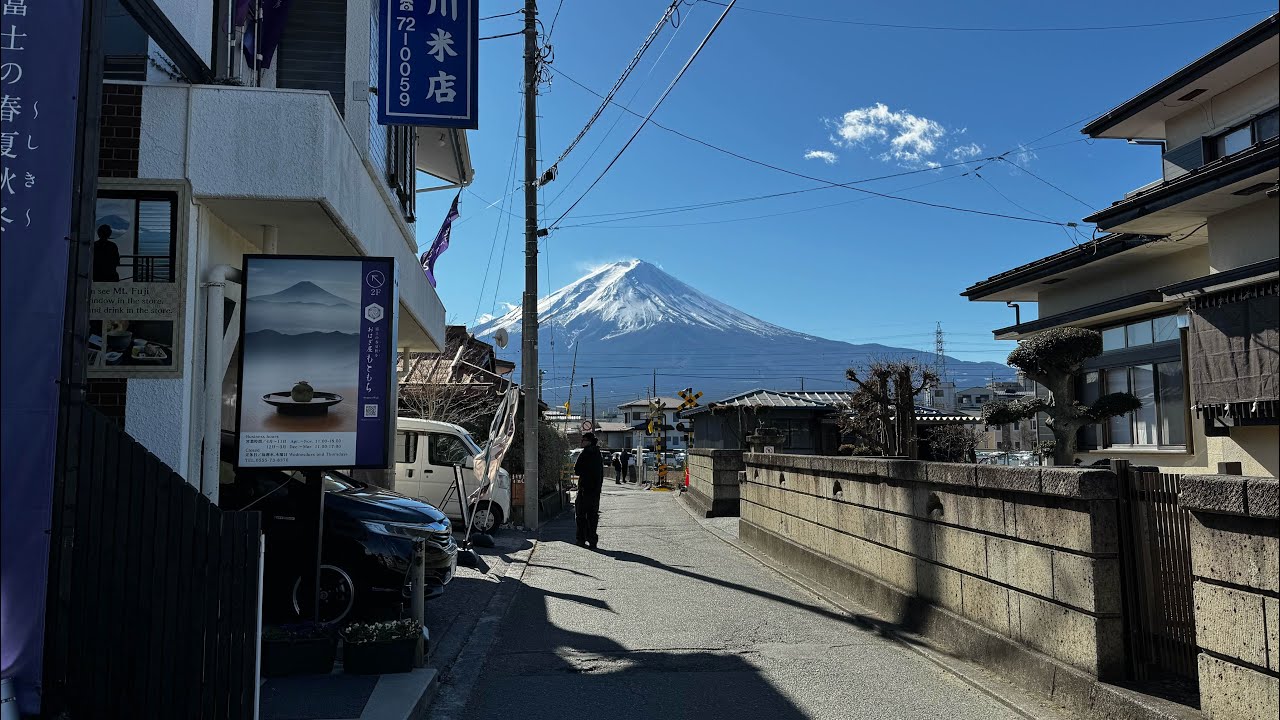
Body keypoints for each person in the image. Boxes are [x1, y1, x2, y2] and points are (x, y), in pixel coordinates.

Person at [573, 432, 604, 549]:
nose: (581, 442)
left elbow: (577, 470)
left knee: (581, 515)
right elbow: (600, 474)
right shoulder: (598, 454)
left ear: (588, 441)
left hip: (584, 489)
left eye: (583, 440)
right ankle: (592, 539)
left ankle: (581, 539)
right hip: (595, 490)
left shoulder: (585, 453)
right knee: (593, 515)